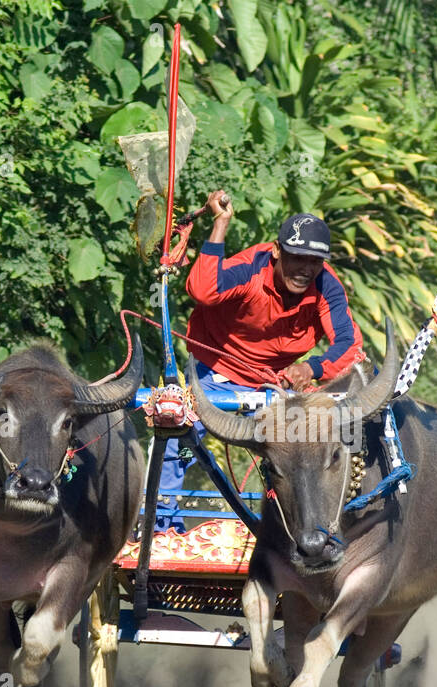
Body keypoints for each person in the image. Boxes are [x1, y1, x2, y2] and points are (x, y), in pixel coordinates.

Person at [155, 189, 365, 532]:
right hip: (215, 372)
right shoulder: (252, 267)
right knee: (178, 429)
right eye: (297, 258)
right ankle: (161, 525)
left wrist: (310, 368)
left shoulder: (326, 285)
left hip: (273, 384)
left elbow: (349, 347)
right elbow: (202, 291)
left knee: (312, 443)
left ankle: (308, 528)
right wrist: (221, 222)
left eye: (314, 261)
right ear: (277, 251)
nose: (305, 269)